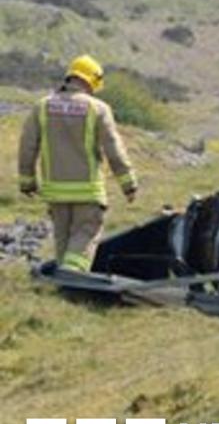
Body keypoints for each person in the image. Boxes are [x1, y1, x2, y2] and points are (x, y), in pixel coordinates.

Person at [17, 55, 138, 272]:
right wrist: (128, 184)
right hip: (87, 192)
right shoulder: (98, 109)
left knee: (63, 240)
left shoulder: (42, 107)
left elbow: (27, 147)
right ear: (92, 80)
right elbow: (114, 149)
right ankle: (73, 279)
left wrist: (27, 181)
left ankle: (62, 287)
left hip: (55, 193)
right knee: (84, 236)